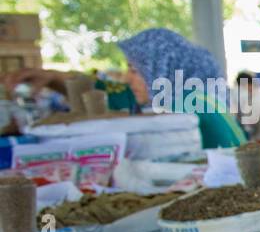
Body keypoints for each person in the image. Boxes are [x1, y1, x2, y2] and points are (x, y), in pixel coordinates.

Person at [4, 29, 247, 148]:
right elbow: (106, 92)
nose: (127, 79)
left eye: (134, 70)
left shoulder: (187, 103)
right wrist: (53, 78)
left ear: (161, 69)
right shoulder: (185, 95)